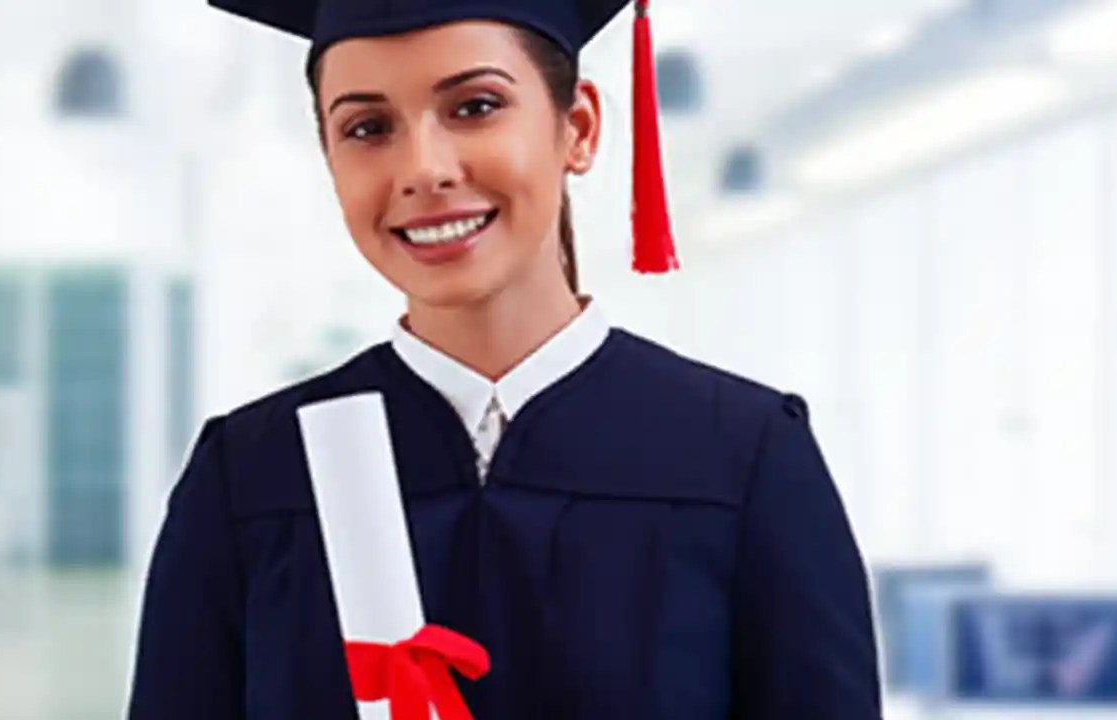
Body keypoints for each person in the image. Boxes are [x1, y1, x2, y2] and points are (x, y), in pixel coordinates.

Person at [127, 0, 883, 717]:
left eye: (475, 107)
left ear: (577, 127)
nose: (424, 168)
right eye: (366, 127)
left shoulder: (743, 458)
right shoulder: (252, 477)